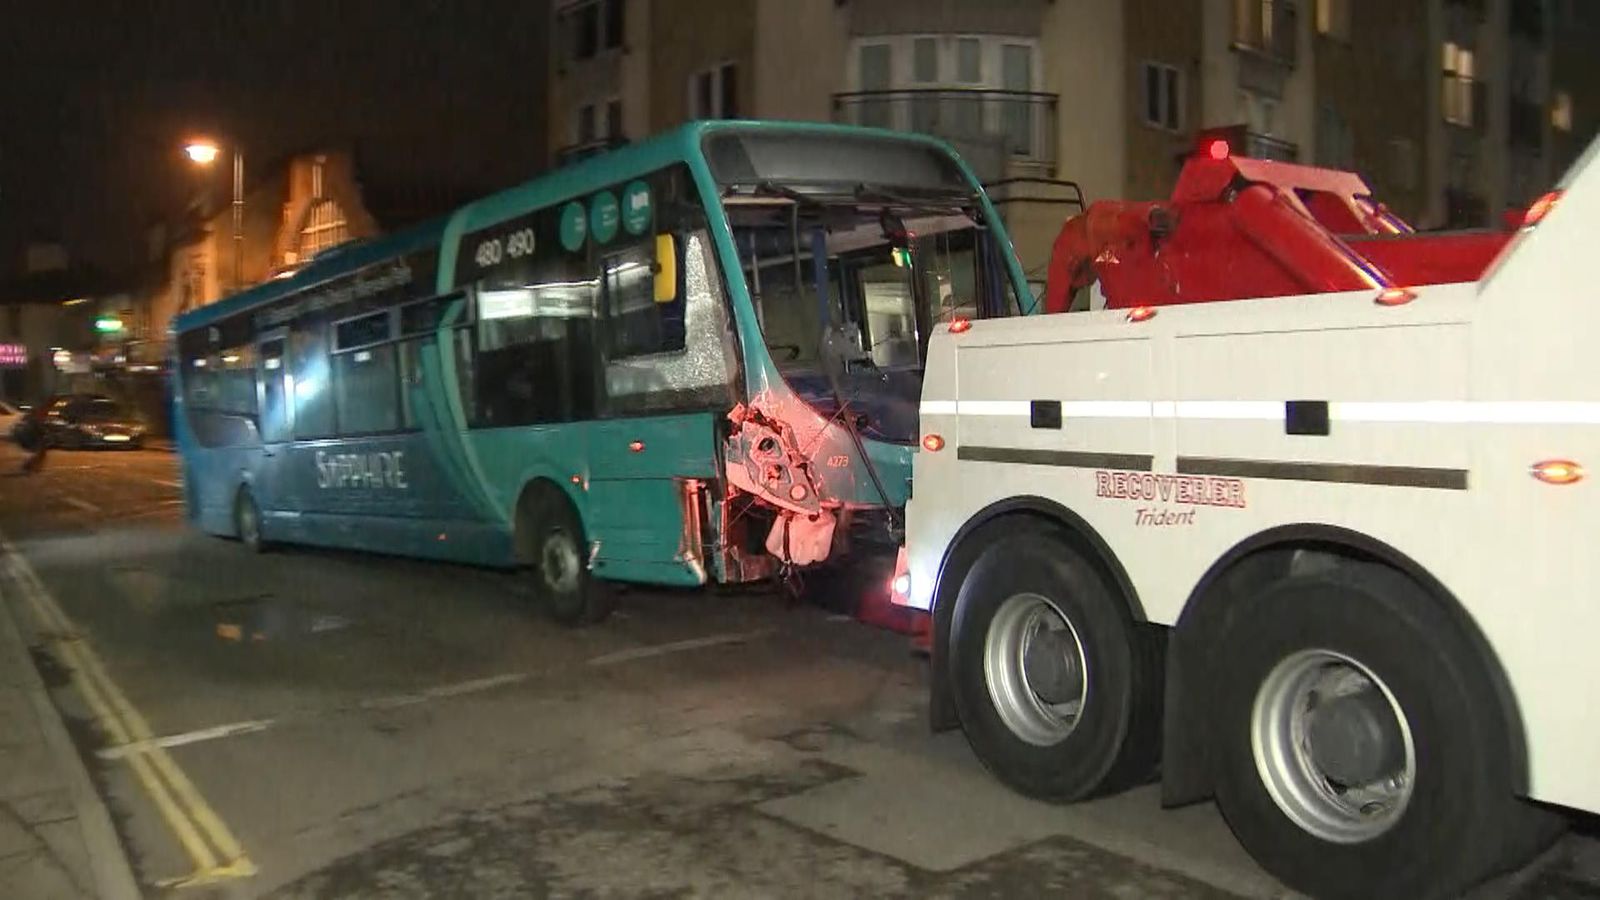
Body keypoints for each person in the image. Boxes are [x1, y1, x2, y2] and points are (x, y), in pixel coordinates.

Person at [17, 396, 51, 474]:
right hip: (32, 435)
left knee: (39, 453)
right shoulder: (37, 412)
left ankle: (31, 467)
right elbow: (36, 425)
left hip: (33, 435)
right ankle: (29, 467)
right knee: (39, 452)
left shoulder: (37, 412)